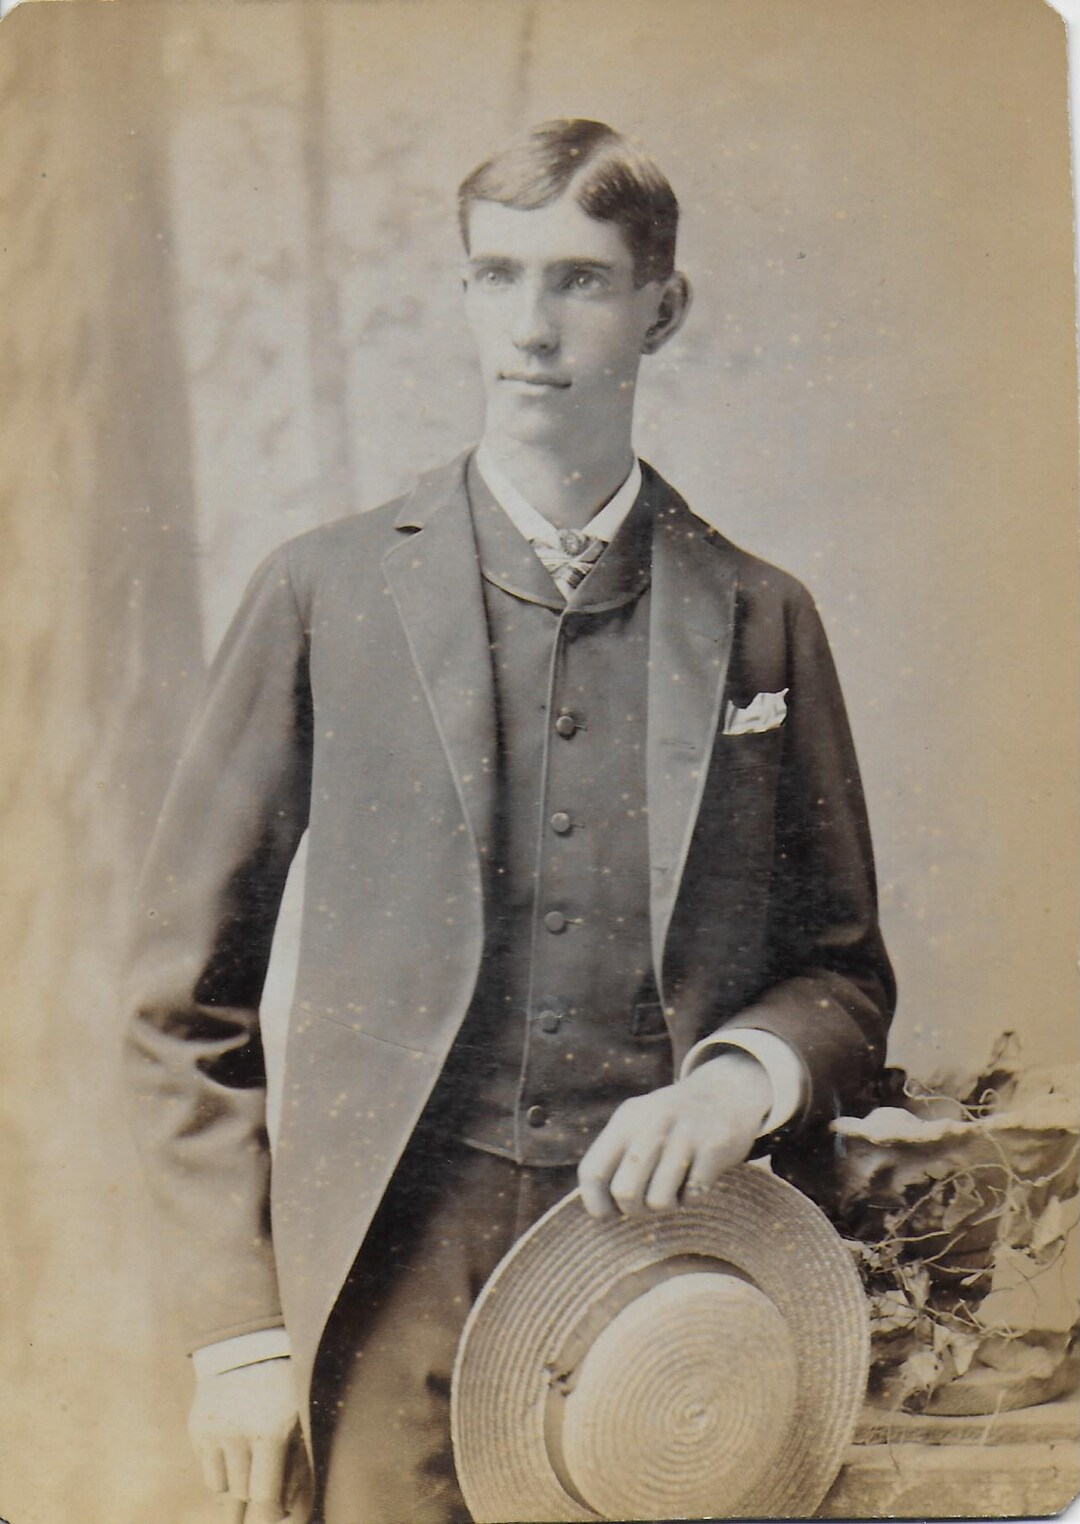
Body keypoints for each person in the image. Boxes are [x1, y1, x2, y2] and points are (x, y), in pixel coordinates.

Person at [125, 118, 895, 1524]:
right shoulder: (325, 592)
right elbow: (179, 1003)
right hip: (386, 1292)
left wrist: (737, 1083)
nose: (529, 328)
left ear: (663, 308)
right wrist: (236, 1331)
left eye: (580, 281)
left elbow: (844, 976)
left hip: (676, 1300)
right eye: (497, 277)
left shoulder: (762, 615)